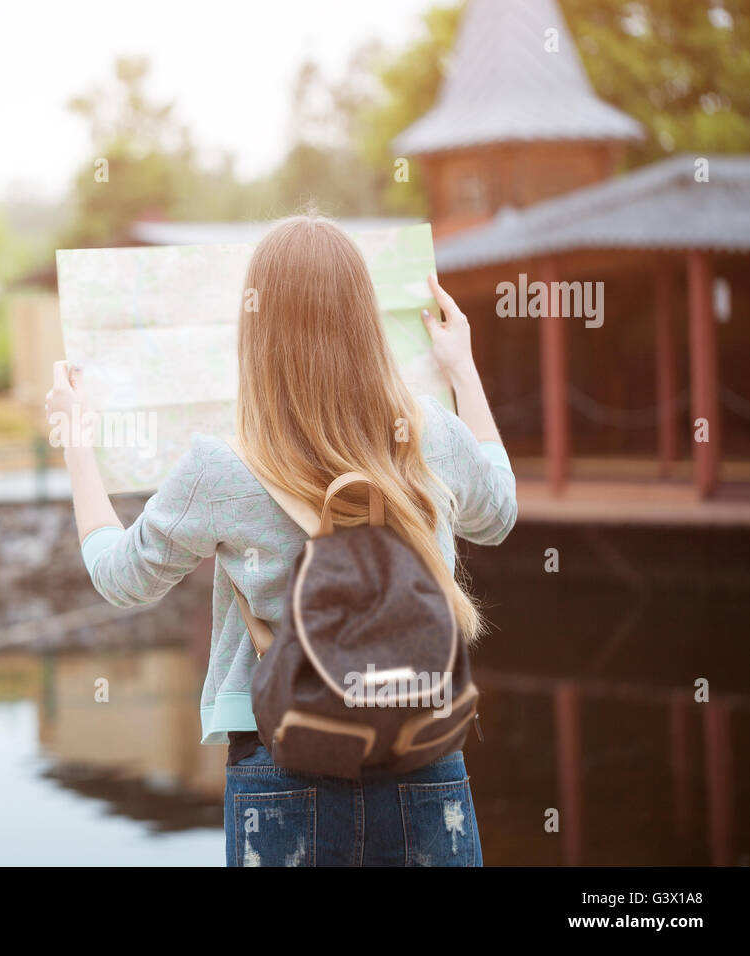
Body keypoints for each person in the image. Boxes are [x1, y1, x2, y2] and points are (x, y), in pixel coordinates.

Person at [45, 215, 518, 866]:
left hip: (283, 764)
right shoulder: (429, 434)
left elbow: (120, 578)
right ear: (366, 317)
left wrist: (76, 441)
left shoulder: (220, 468)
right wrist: (462, 369)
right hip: (424, 755)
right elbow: (498, 513)